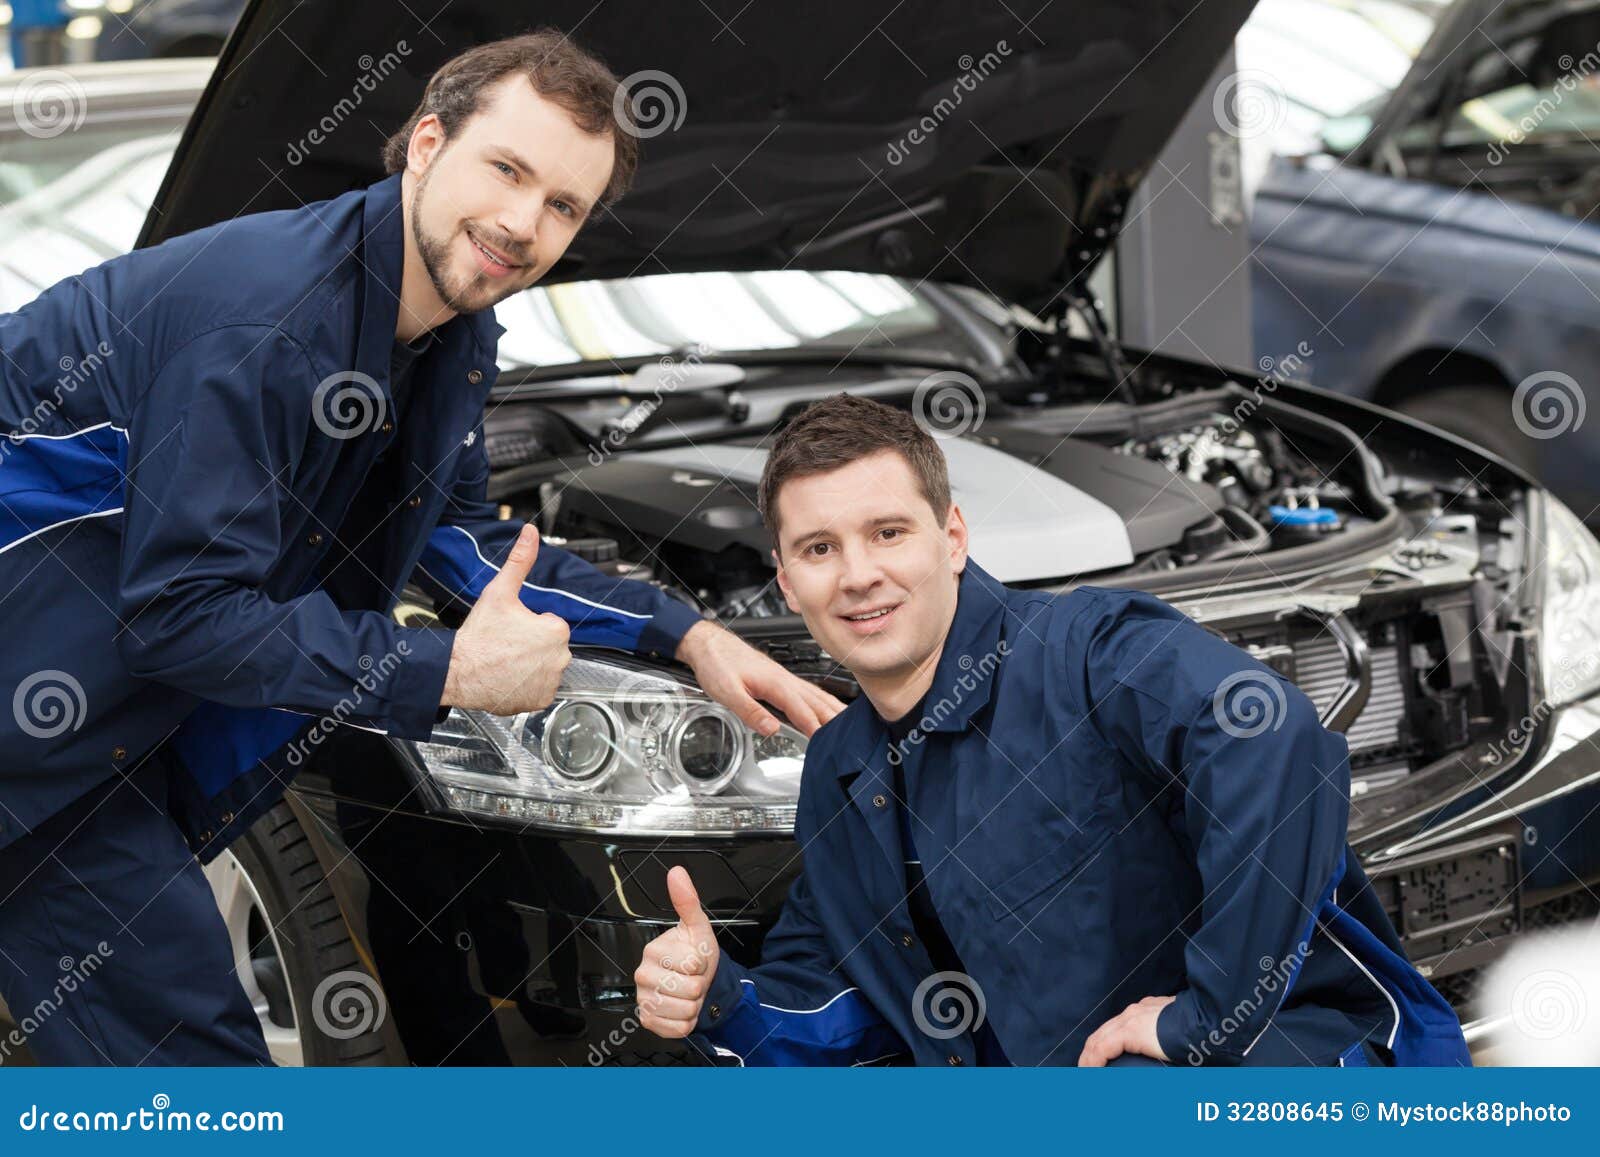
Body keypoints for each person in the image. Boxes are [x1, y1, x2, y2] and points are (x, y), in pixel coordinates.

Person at [0, 31, 840, 1066]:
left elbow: (459, 534)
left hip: (76, 745)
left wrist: (689, 635)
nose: (524, 225)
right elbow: (180, 612)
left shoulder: (449, 333)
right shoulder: (265, 323)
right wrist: (448, 670)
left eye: (564, 206)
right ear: (427, 143)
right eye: (509, 170)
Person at [634, 393, 1471, 1067]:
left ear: (952, 537)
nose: (859, 575)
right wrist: (721, 998)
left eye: (888, 532)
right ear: (785, 582)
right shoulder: (842, 773)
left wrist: (1210, 1015)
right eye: (819, 548)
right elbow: (847, 1001)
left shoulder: (1087, 651)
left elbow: (1271, 738)